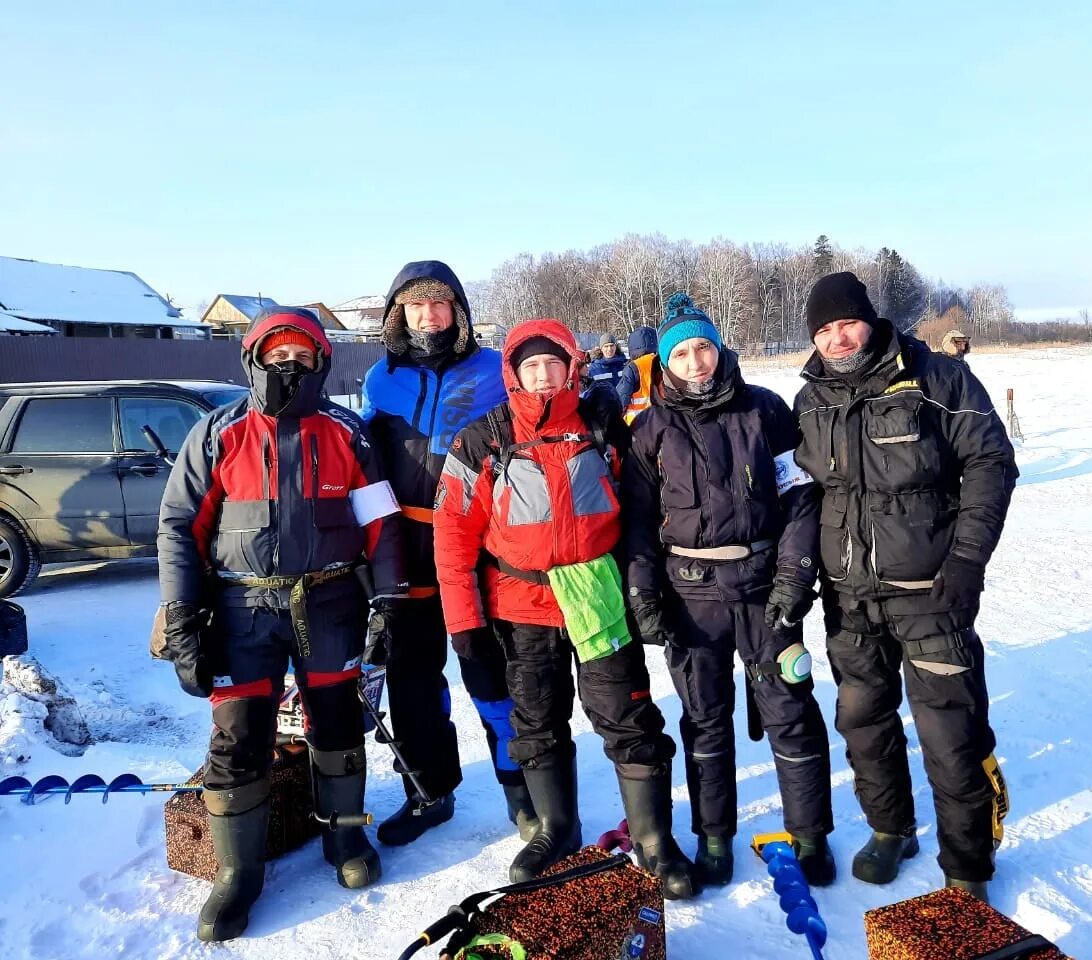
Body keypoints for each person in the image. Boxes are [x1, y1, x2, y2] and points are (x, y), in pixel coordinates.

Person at [158, 307, 405, 941]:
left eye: (302, 357)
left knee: (337, 720)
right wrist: (182, 616)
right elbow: (179, 527)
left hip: (330, 604)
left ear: (322, 362)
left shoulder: (348, 433)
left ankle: (344, 837)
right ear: (253, 361)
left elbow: (380, 523)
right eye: (277, 357)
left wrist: (388, 601)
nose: (289, 367)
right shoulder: (218, 433)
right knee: (238, 733)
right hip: (242, 611)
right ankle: (237, 872)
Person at [434, 319, 699, 900]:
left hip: (599, 598)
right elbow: (451, 540)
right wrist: (465, 627)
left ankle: (654, 839)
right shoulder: (481, 440)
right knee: (536, 722)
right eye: (530, 366)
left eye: (552, 363)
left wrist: (646, 587)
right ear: (513, 374)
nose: (542, 375)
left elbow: (641, 512)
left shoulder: (602, 428)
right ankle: (556, 828)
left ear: (571, 366)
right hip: (521, 606)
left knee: (629, 718)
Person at [793, 272, 1017, 903]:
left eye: (847, 324)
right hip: (849, 598)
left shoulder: (937, 378)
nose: (838, 339)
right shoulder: (809, 400)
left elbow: (992, 463)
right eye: (824, 330)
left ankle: (967, 864)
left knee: (951, 733)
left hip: (931, 591)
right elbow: (802, 494)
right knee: (864, 724)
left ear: (871, 321)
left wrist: (966, 563)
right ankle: (890, 829)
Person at [622, 293, 835, 888]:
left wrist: (795, 575)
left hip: (766, 588)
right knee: (705, 719)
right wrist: (643, 593)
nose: (696, 362)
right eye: (681, 353)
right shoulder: (649, 429)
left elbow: (800, 497)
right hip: (691, 596)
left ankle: (810, 834)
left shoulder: (765, 410)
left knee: (789, 708)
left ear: (720, 349)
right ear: (665, 362)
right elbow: (637, 522)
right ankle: (713, 836)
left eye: (704, 348)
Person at [360, 260, 536, 846]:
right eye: (415, 305)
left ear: (458, 310)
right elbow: (362, 461)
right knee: (413, 680)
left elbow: (540, 419)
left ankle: (523, 792)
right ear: (398, 314)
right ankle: (428, 792)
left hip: (478, 544)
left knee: (491, 673)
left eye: (439, 303)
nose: (428, 316)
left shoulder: (494, 370)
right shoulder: (380, 379)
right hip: (406, 546)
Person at [615, 325, 659, 424]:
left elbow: (621, 399)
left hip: (638, 424)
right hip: (661, 421)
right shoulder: (663, 363)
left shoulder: (633, 367)